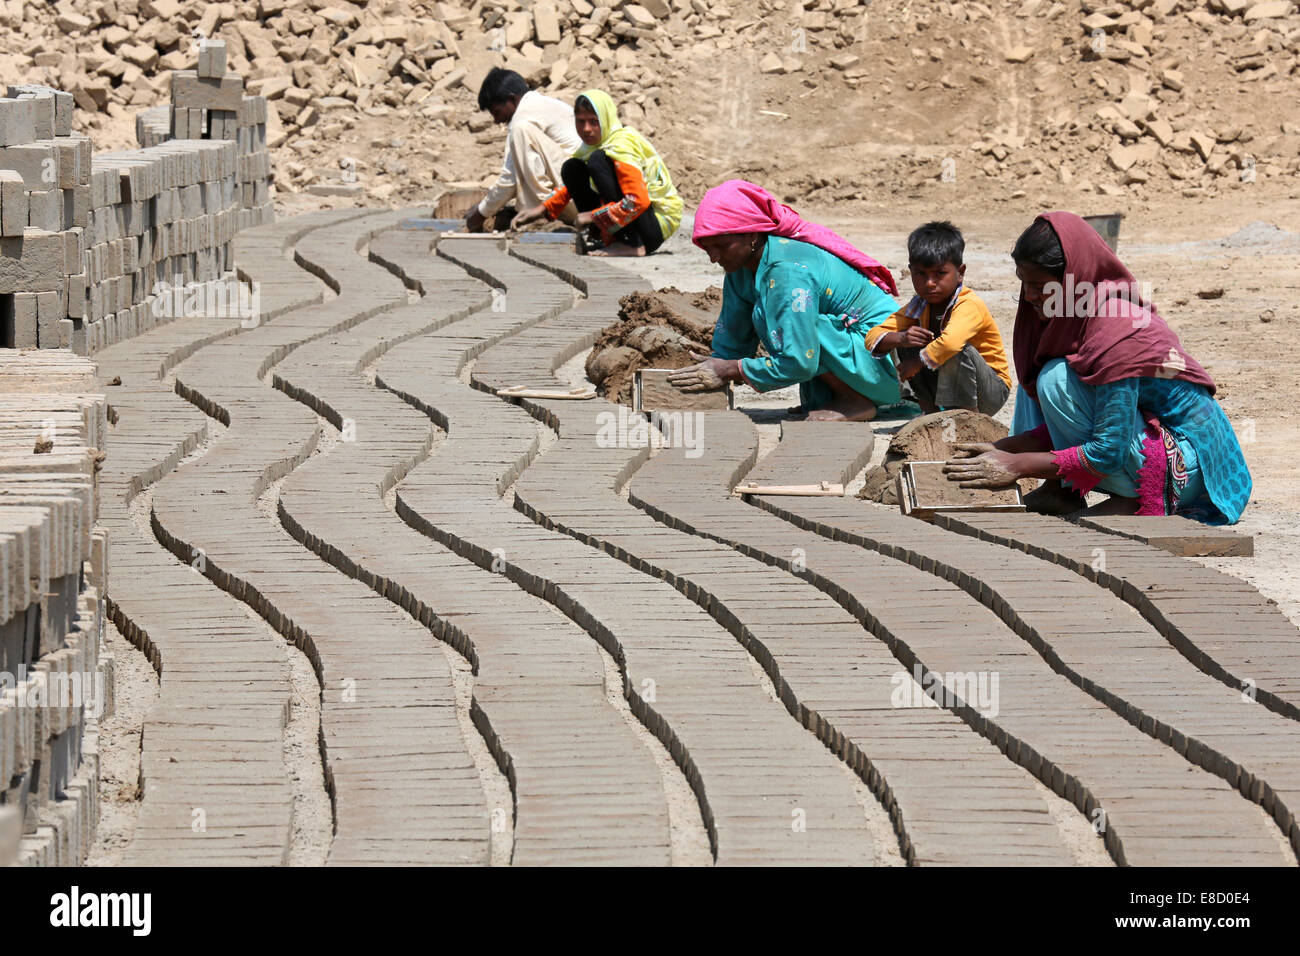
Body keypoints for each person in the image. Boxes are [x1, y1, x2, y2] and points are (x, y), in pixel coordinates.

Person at [944, 211, 1252, 524]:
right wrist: (1002, 449)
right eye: (1025, 284)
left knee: (1054, 379)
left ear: (1074, 278)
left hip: (1190, 465)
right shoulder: (1074, 315)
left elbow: (1107, 449)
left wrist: (1018, 465)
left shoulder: (1115, 331)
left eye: (1040, 286)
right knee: (1040, 375)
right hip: (1141, 434)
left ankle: (1138, 497)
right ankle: (1061, 490)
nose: (1031, 296)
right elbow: (1089, 417)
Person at [668, 180, 901, 422]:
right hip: (853, 359)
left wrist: (730, 370)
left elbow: (799, 362)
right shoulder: (740, 268)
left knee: (796, 325)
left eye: (722, 246)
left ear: (751, 234)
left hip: (885, 363)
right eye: (707, 249)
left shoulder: (786, 271)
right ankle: (837, 395)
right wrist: (713, 369)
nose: (714, 258)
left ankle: (854, 401)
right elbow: (732, 341)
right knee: (786, 321)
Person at [864, 221, 1011, 415]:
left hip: (989, 392)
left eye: (940, 273)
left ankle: (968, 421)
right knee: (907, 338)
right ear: (911, 271)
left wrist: (916, 362)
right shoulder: (919, 305)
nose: (930, 283)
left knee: (957, 349)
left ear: (960, 273)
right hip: (944, 382)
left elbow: (951, 344)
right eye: (920, 274)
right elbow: (873, 335)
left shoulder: (968, 304)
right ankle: (930, 416)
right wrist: (902, 338)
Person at [512, 89, 683, 256]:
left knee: (597, 161)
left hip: (652, 226)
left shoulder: (621, 146)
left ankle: (632, 243)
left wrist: (593, 217)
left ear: (605, 120)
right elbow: (571, 186)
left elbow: (638, 201)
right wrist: (542, 209)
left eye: (594, 121)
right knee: (572, 167)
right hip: (634, 217)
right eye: (580, 121)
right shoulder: (590, 148)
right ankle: (607, 237)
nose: (586, 129)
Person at [466, 68, 581, 233]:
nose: (497, 120)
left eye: (497, 112)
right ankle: (540, 209)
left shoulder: (522, 119)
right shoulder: (543, 104)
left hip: (574, 200)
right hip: (580, 197)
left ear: (512, 99)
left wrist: (481, 212)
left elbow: (509, 181)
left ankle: (541, 215)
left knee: (521, 130)